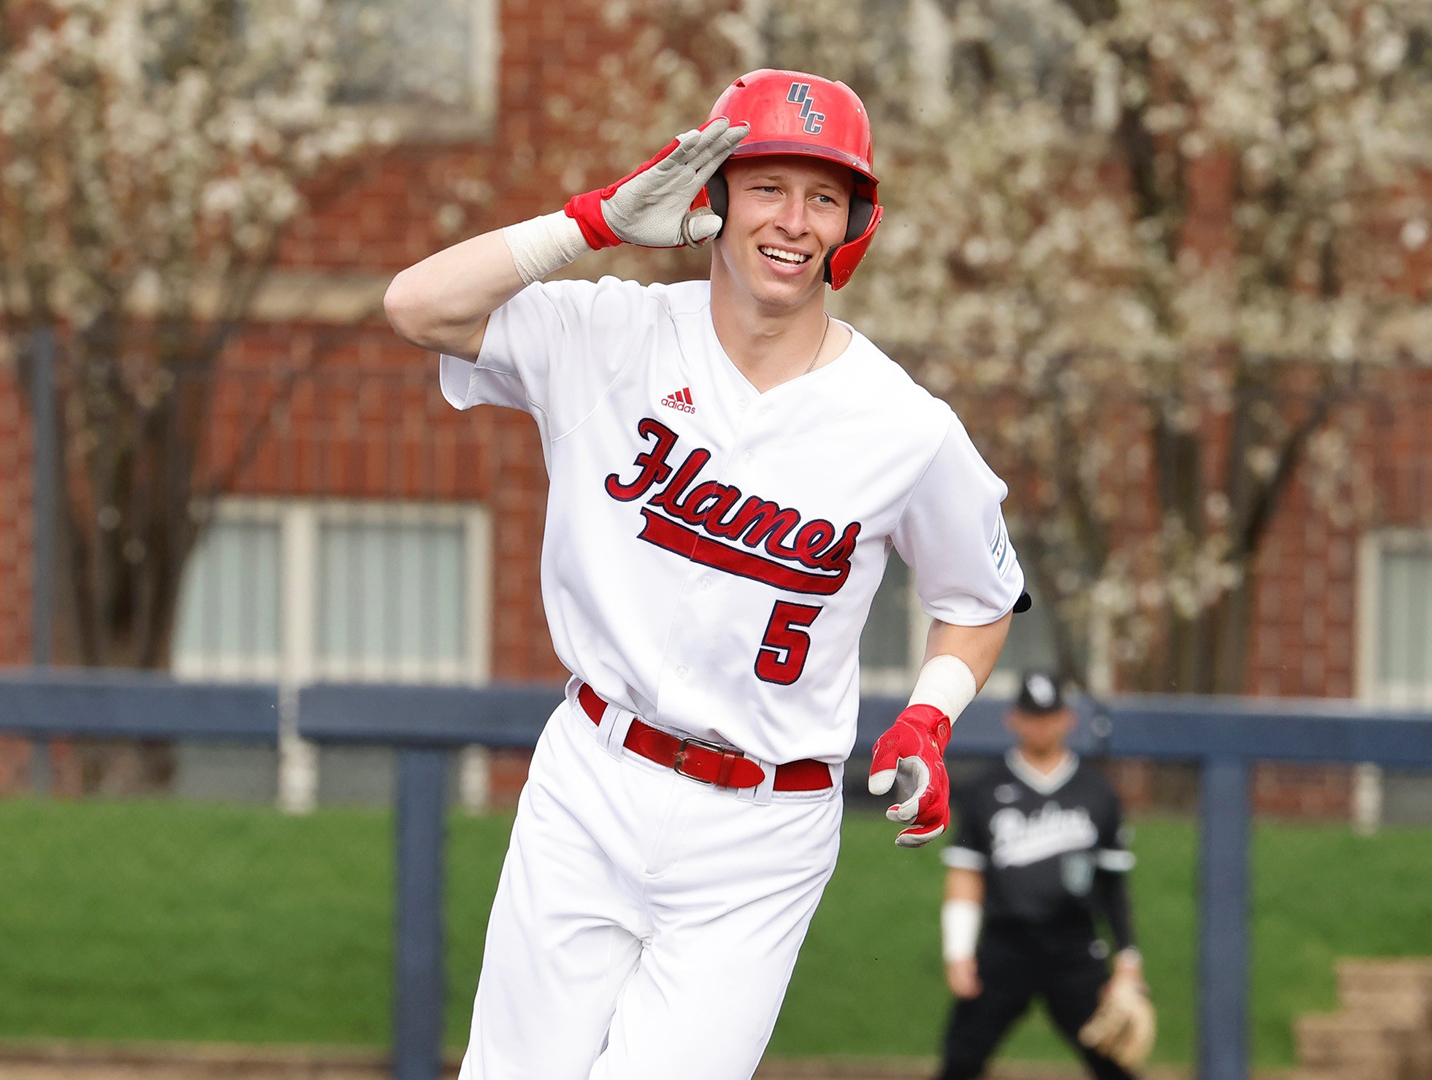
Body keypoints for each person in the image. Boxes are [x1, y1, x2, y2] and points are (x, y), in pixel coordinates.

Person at [382, 69, 1026, 1080]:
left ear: (854, 224)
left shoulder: (905, 425)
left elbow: (978, 602)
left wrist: (930, 717)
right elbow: (416, 307)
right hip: (592, 775)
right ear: (713, 195)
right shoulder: (612, 332)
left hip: (764, 829)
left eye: (824, 197)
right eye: (767, 186)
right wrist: (590, 223)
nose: (795, 221)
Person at [936, 672, 1154, 1080]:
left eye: (1050, 716)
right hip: (1006, 944)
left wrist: (1127, 958)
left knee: (1112, 1060)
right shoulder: (986, 788)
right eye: (1032, 716)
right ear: (1014, 719)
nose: (1041, 726)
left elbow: (1113, 882)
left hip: (1074, 946)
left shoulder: (1096, 790)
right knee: (961, 1059)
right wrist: (958, 951)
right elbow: (966, 873)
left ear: (1068, 719)